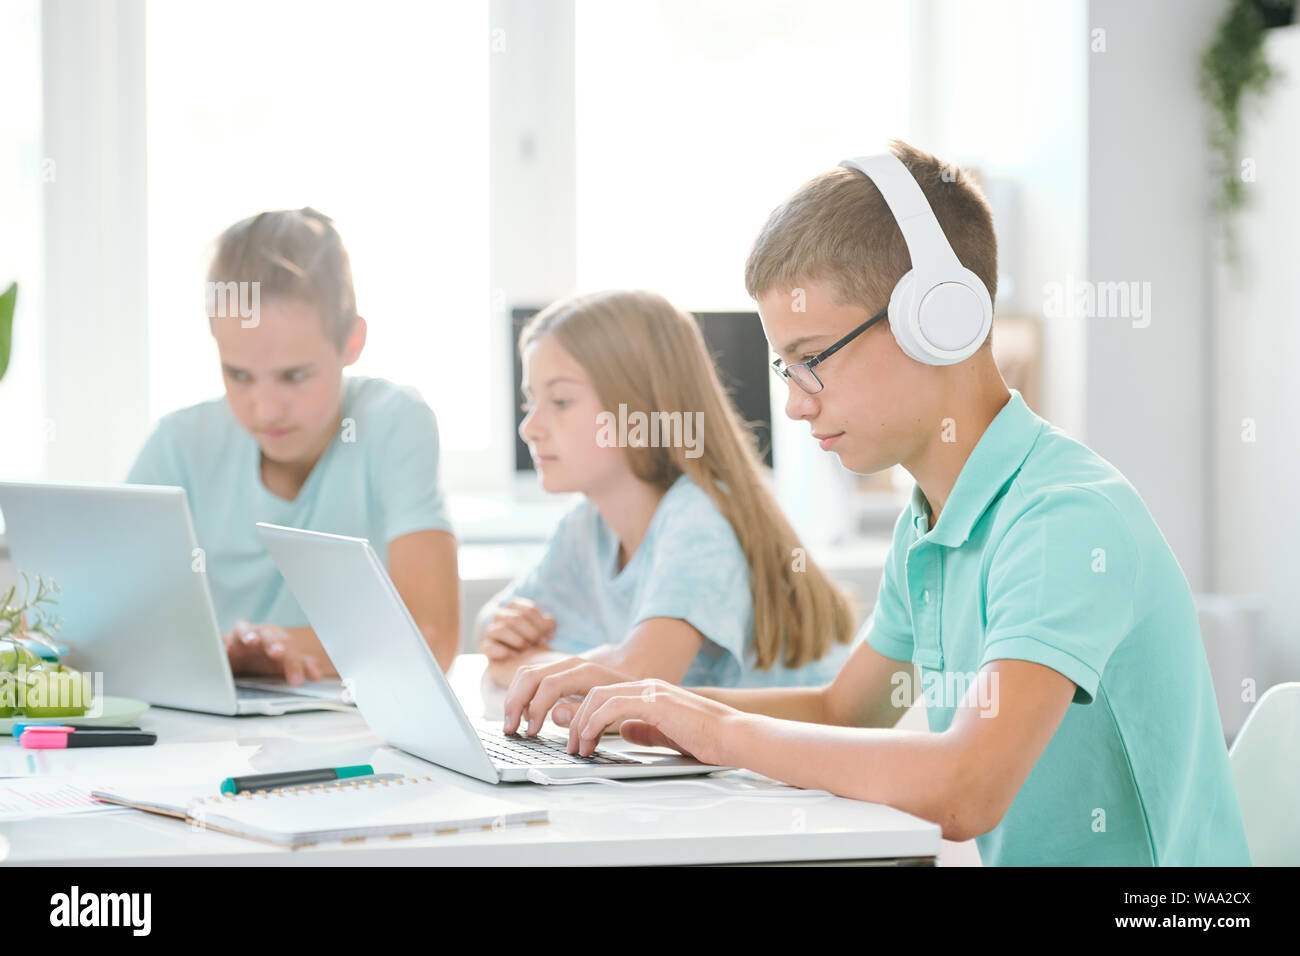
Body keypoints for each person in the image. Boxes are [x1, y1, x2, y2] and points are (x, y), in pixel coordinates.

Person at [501, 141, 1252, 867]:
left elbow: (967, 789)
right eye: (784, 366)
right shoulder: (930, 520)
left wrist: (720, 727)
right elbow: (843, 712)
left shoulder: (1063, 518)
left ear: (940, 321)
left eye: (812, 360)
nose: (794, 405)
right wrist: (658, 706)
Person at [127, 208, 460, 680]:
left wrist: (261, 653)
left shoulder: (392, 421)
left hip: (346, 731)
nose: (265, 409)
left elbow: (431, 636)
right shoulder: (179, 442)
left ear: (352, 341)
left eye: (294, 376)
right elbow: (106, 627)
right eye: (237, 375)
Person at [476, 288, 857, 693]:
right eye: (529, 402)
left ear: (641, 407)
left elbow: (639, 677)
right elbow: (493, 621)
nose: (529, 428)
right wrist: (501, 628)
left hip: (784, 755)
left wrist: (523, 664)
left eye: (562, 400)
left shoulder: (698, 518)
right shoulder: (586, 526)